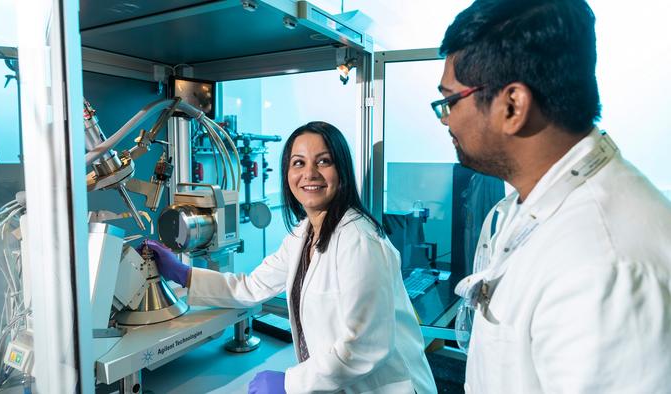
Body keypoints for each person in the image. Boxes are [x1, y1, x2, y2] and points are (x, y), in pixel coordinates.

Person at [433, 0, 671, 393]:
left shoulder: (603, 265)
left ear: (513, 105)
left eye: (450, 101)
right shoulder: (532, 208)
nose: (446, 118)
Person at [143, 121, 437, 394]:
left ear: (342, 170)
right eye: (299, 163)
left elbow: (363, 347)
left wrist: (289, 383)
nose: (309, 174)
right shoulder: (305, 232)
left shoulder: (359, 240)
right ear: (287, 173)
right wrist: (181, 273)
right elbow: (251, 287)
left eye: (324, 161)